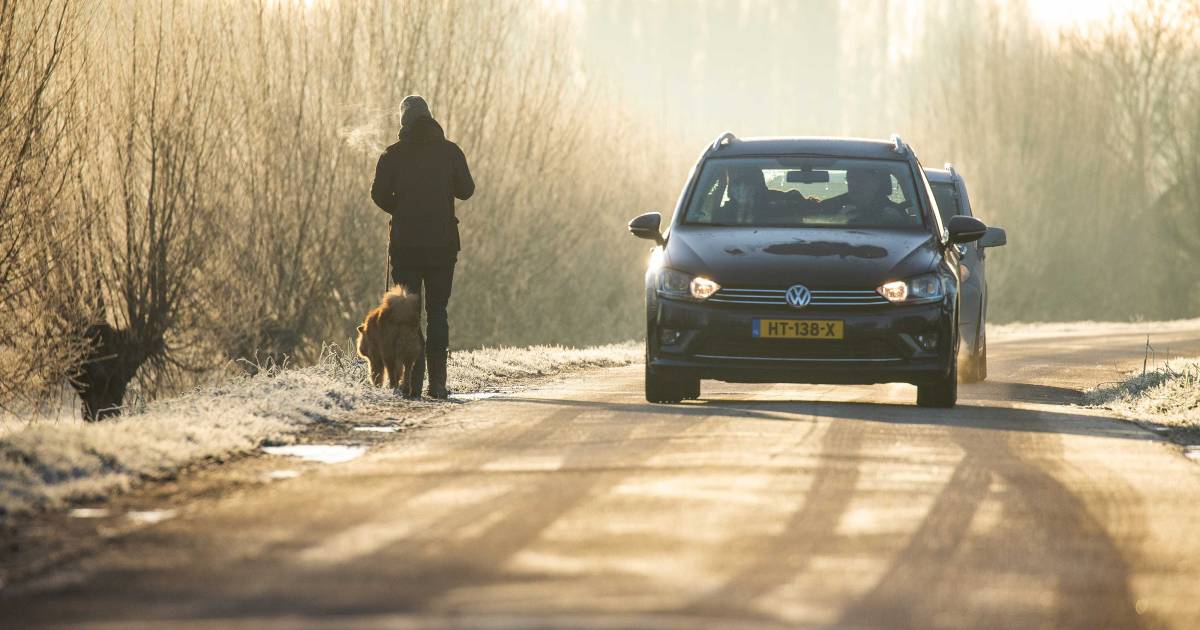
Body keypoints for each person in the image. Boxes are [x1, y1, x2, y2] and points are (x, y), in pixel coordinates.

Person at [371, 95, 474, 398]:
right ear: (430, 118)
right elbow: (467, 190)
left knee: (408, 315)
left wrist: (400, 209)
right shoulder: (450, 152)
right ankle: (438, 384)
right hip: (442, 245)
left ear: (403, 122)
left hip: (405, 247)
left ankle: (411, 384)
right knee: (438, 311)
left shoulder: (392, 155)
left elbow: (378, 194)